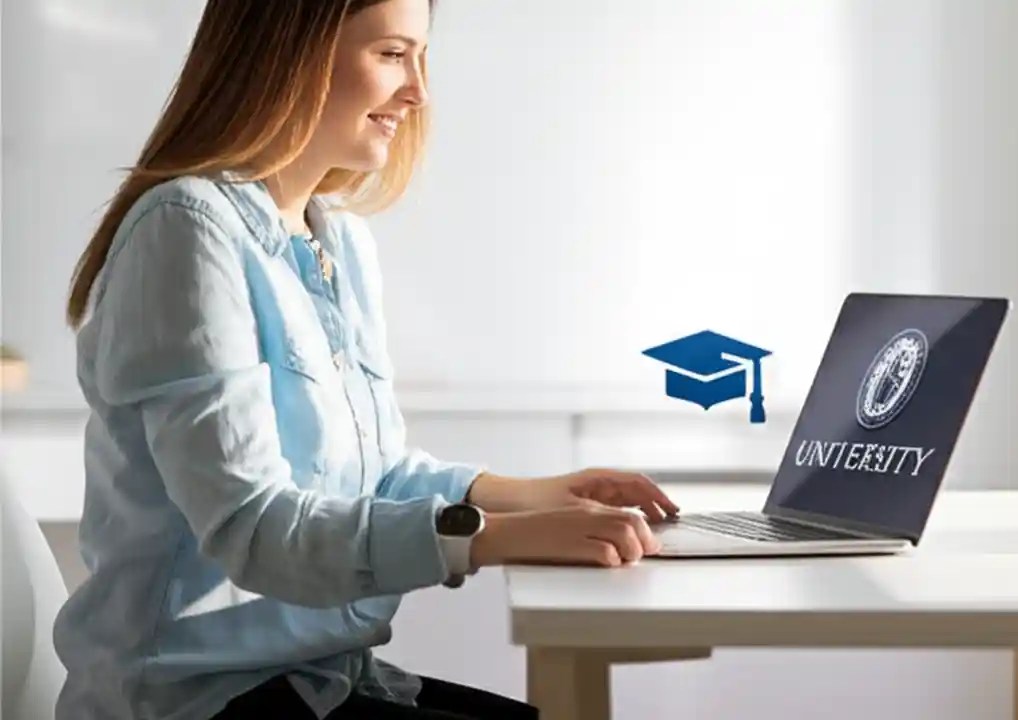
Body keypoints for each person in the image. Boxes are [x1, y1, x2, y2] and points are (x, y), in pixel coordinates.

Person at [53, 1, 680, 718]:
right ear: (293, 52)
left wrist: (543, 494)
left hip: (323, 677)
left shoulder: (337, 240)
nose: (417, 91)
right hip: (199, 701)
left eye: (420, 58)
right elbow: (253, 529)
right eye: (391, 54)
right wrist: (496, 539)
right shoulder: (186, 231)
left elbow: (377, 472)